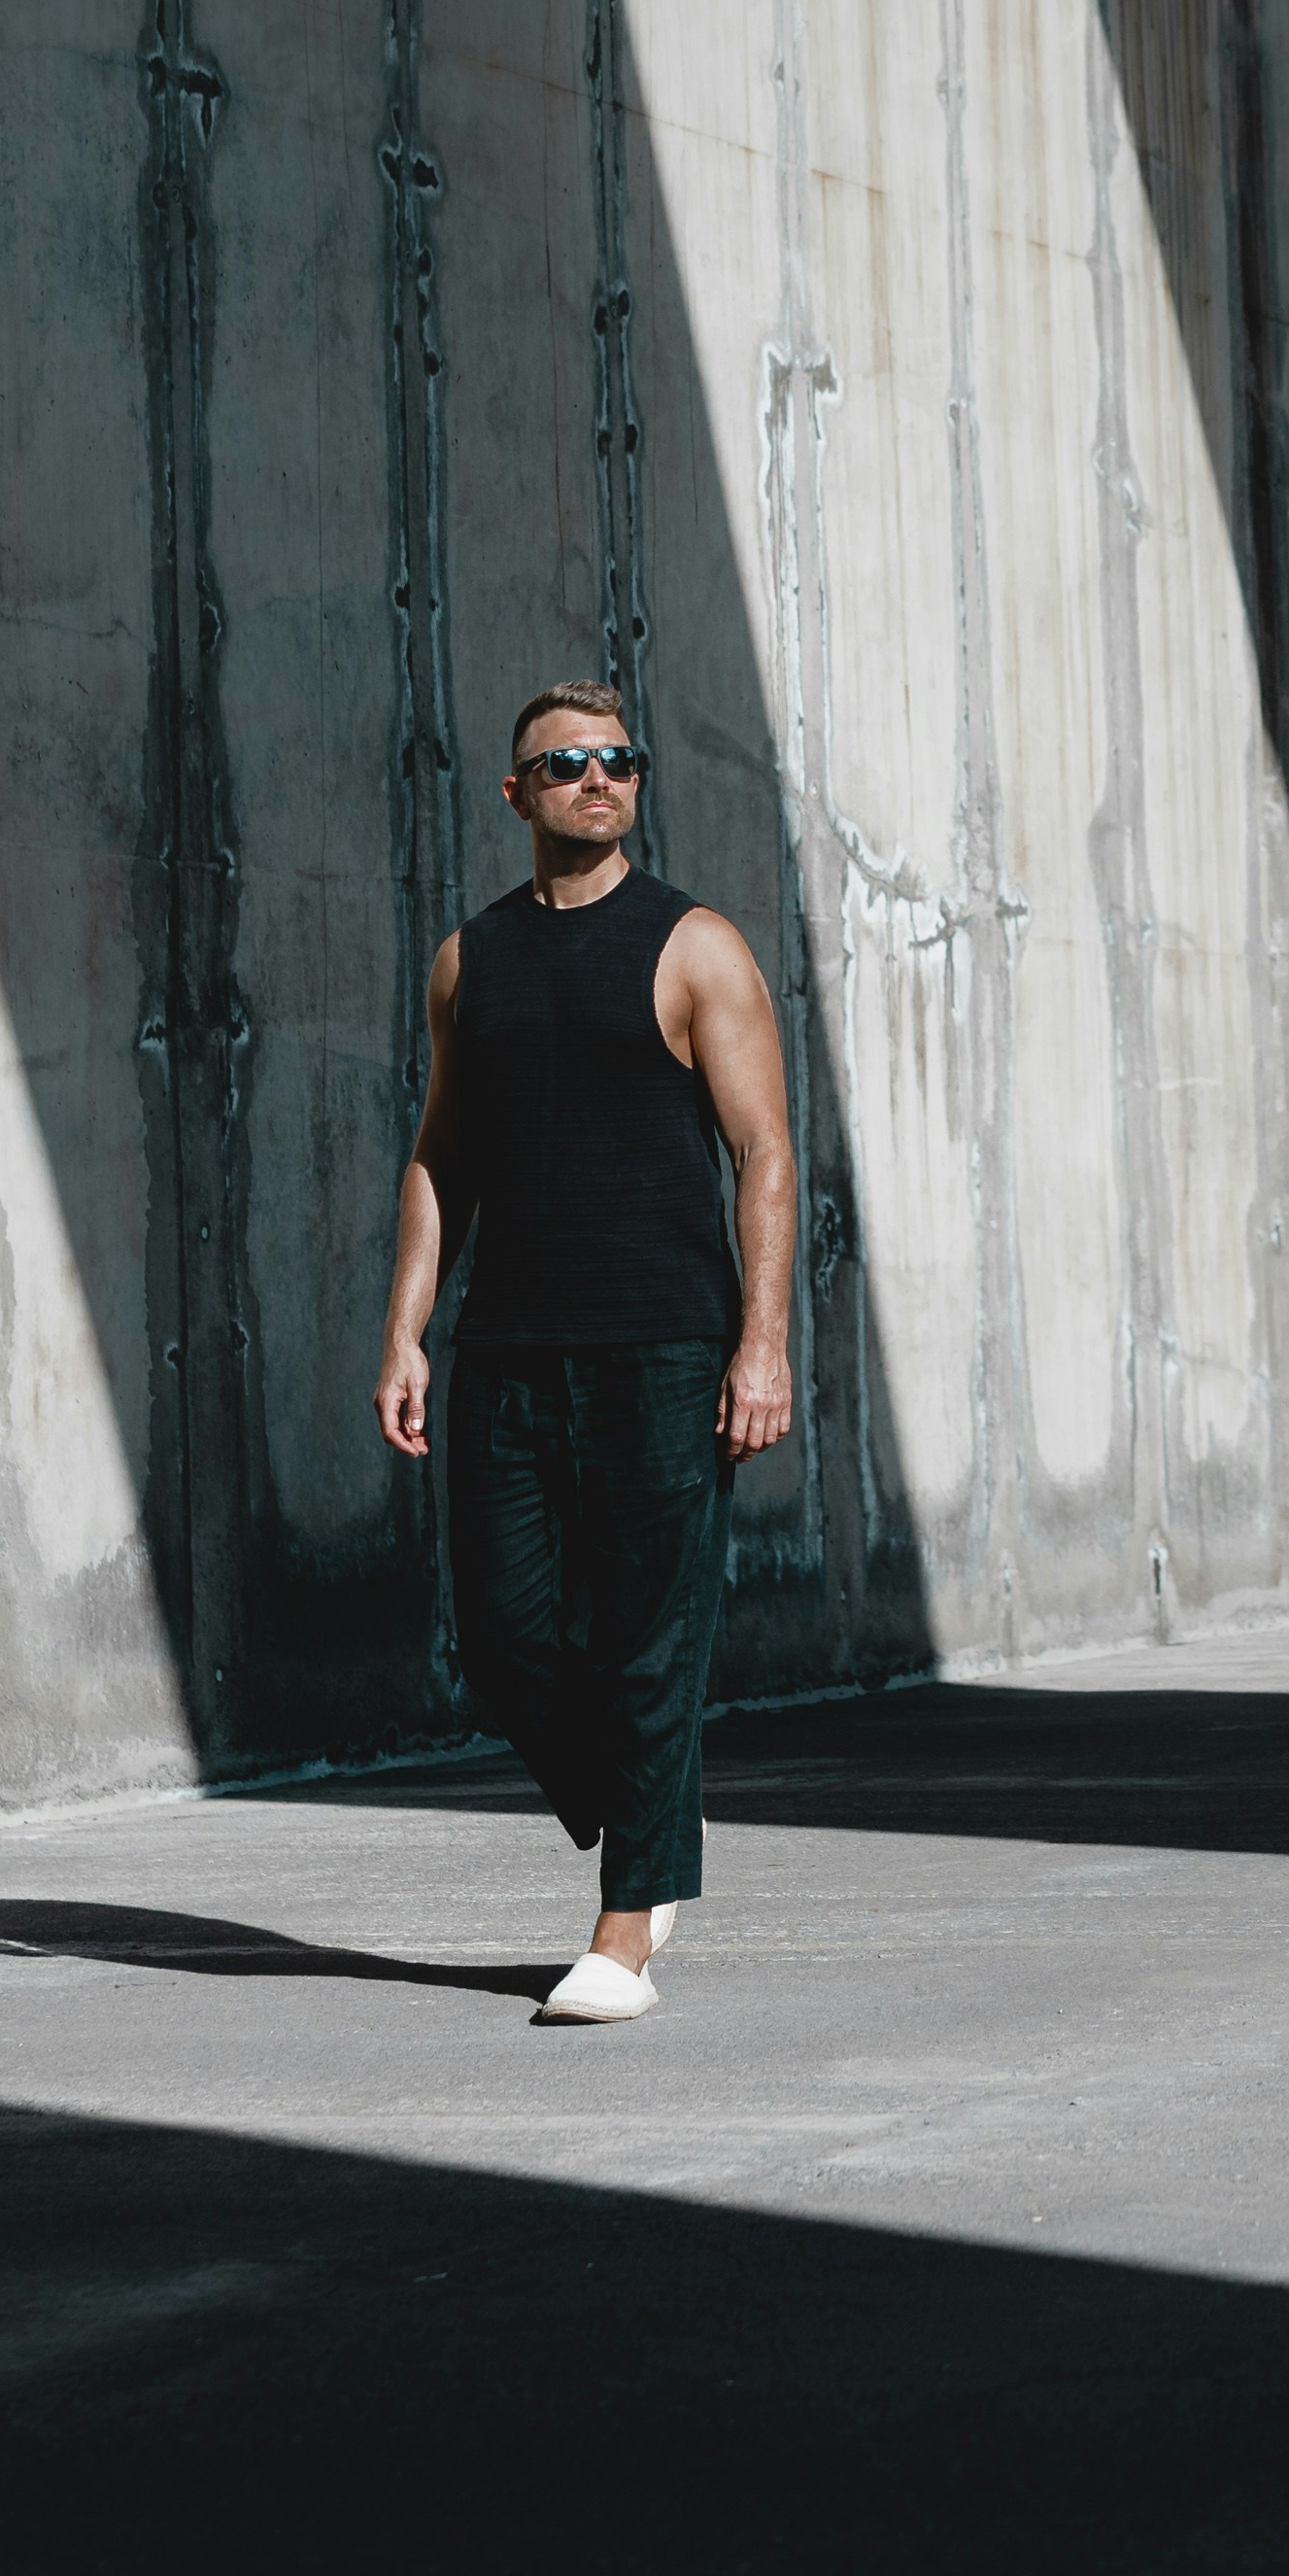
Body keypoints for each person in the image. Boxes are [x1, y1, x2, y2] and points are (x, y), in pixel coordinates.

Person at [375, 678, 798, 2022]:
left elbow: (765, 1152)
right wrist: (407, 1330)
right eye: (565, 764)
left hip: (665, 1350)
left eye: (617, 758)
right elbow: (441, 1156)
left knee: (650, 1643)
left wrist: (763, 1343)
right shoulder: (469, 963)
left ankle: (624, 1935)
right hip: (507, 1344)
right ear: (518, 793)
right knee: (502, 1637)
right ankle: (651, 1812)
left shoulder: (695, 948)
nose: (596, 778)